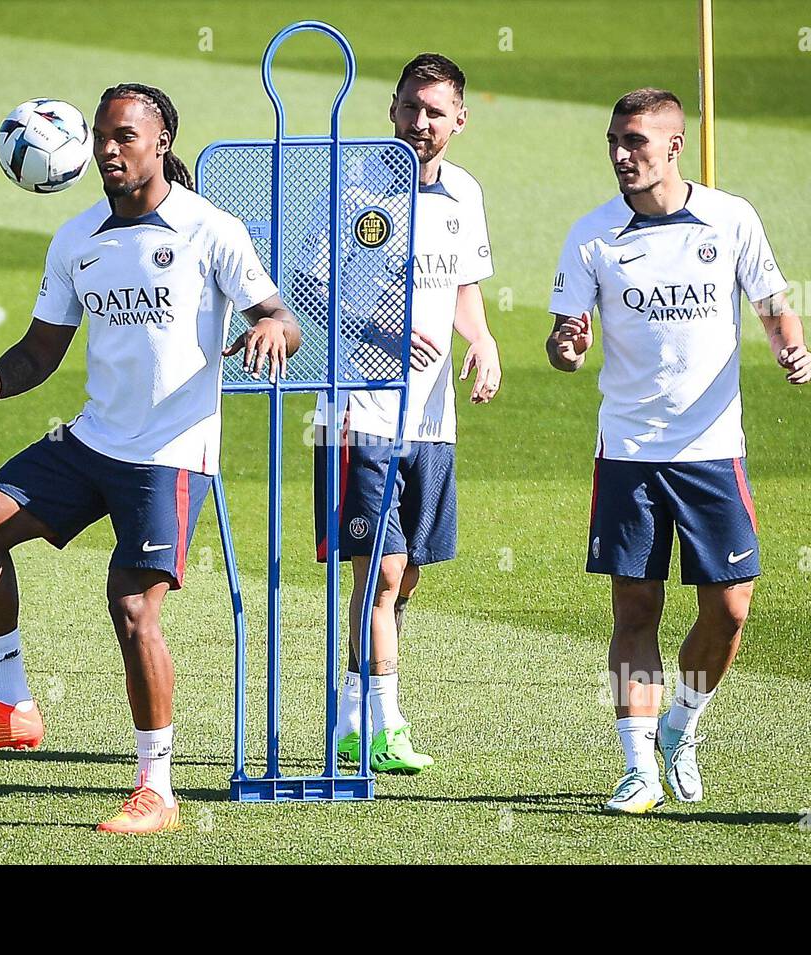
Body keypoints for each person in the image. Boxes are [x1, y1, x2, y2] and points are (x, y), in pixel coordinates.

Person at [0, 83, 299, 835]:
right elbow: (35, 355)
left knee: (131, 606)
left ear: (161, 141)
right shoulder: (77, 239)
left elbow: (278, 315)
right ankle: (10, 705)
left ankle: (156, 787)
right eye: (101, 136)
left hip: (171, 454)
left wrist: (270, 336)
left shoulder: (209, 229)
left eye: (125, 136)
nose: (107, 149)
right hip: (93, 439)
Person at [546, 88, 811, 813]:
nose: (622, 155)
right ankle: (636, 769)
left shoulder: (731, 218)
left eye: (635, 140)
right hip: (628, 449)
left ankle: (680, 725)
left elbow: (770, 300)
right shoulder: (592, 234)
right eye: (613, 141)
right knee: (635, 607)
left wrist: (791, 347)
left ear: (674, 144)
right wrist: (567, 347)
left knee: (729, 609)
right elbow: (564, 336)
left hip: (711, 449)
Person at [311, 53, 500, 773]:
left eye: (435, 111)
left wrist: (480, 340)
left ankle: (355, 714)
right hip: (357, 412)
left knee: (405, 576)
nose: (420, 123)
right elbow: (305, 283)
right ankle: (382, 726)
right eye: (409, 107)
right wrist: (375, 329)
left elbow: (462, 287)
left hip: (431, 417)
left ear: (459, 119)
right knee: (382, 574)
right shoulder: (354, 187)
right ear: (391, 110)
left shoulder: (465, 193)